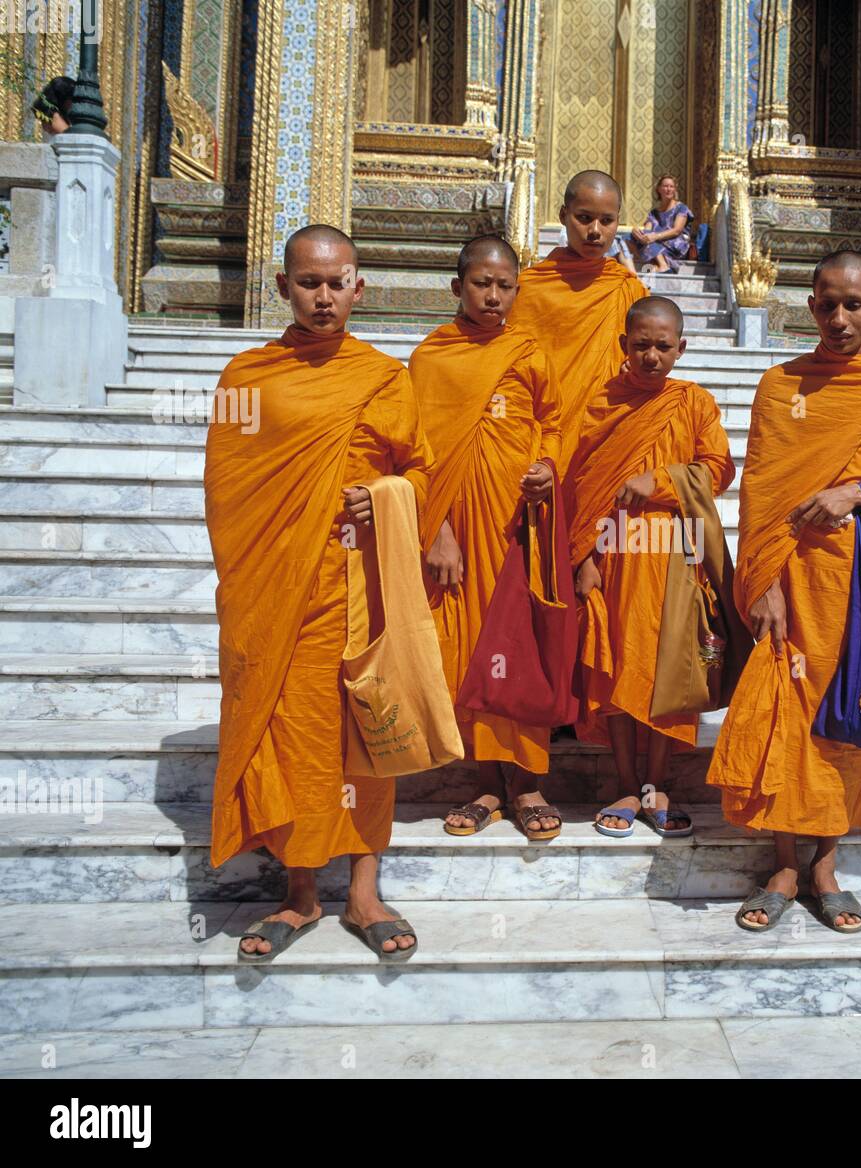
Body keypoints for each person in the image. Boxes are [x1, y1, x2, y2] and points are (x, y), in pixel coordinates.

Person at [205, 224, 437, 962]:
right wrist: (255, 577)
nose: (325, 296)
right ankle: (301, 894)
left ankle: (364, 892)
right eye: (310, 282)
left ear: (359, 288)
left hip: (361, 588)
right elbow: (228, 489)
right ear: (283, 287)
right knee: (298, 736)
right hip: (282, 593)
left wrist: (389, 495)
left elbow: (422, 474)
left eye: (338, 283)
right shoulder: (245, 379)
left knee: (370, 737)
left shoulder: (384, 376)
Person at [706, 249, 861, 933]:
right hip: (787, 579)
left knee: (849, 722)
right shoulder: (781, 386)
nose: (840, 317)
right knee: (786, 714)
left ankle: (826, 864)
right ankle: (783, 863)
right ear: (810, 306)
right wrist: (759, 581)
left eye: (854, 304)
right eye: (827, 303)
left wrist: (859, 492)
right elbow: (757, 492)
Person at [409, 234, 566, 841]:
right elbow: (416, 454)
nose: (494, 295)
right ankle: (481, 782)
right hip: (457, 540)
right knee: (470, 652)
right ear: (457, 287)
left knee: (518, 652)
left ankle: (526, 782)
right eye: (482, 283)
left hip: (517, 531)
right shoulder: (431, 359)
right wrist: (438, 529)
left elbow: (553, 423)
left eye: (505, 286)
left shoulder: (529, 352)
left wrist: (548, 467)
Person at [566, 296, 735, 837]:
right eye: (641, 345)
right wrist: (583, 557)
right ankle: (624, 781)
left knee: (668, 673)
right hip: (613, 554)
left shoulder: (694, 403)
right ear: (623, 346)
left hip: (675, 557)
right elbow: (579, 486)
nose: (652, 356)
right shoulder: (599, 404)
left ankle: (656, 783)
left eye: (664, 346)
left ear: (681, 348)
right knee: (615, 667)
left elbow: (717, 469)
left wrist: (660, 482)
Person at [508, 169, 648, 472]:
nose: (595, 230)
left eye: (607, 221)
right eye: (584, 218)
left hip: (598, 434)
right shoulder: (528, 288)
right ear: (562, 215)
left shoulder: (628, 289)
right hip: (536, 434)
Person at [629, 174, 692, 275]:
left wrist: (655, 236)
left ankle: (663, 265)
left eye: (671, 187)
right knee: (629, 237)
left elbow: (677, 230)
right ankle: (654, 266)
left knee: (648, 240)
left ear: (675, 190)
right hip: (657, 243)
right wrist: (636, 231)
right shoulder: (654, 212)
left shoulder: (681, 208)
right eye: (665, 186)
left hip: (675, 243)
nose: (669, 189)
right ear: (659, 189)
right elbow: (647, 229)